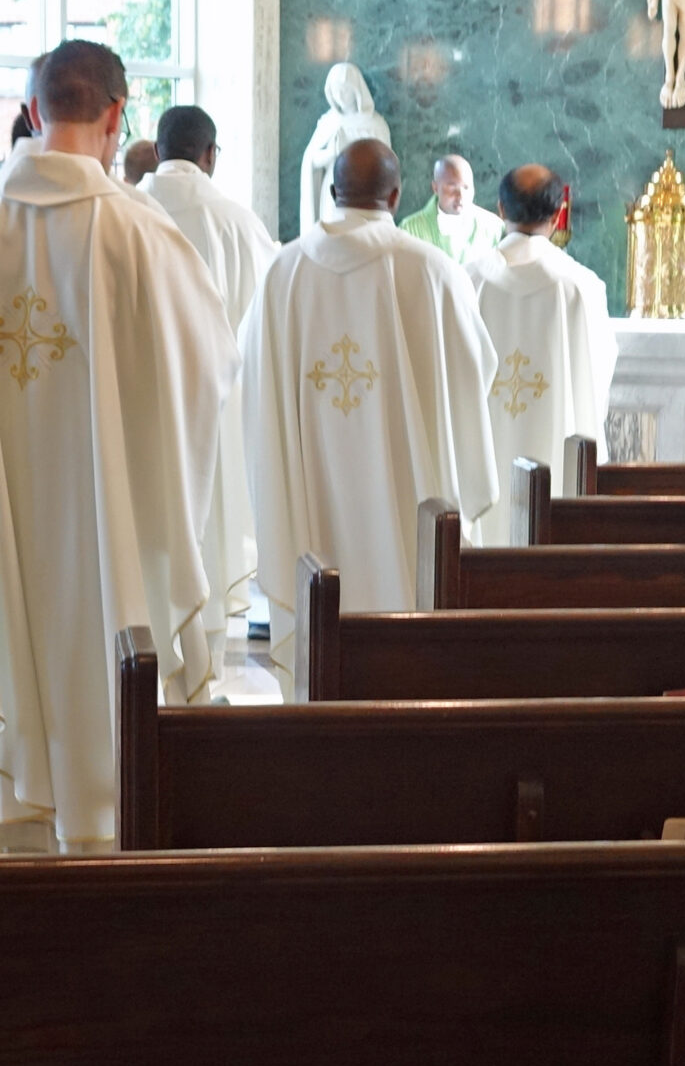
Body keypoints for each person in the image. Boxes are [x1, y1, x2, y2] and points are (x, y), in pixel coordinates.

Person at [0, 40, 236, 853]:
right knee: (107, 765)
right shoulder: (143, 240)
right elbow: (208, 380)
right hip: (107, 559)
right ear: (117, 116)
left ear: (34, 111)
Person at [245, 139, 500, 695]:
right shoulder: (433, 273)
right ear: (397, 194)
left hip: (309, 512)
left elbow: (254, 388)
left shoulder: (281, 273)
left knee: (319, 646)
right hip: (409, 515)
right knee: (409, 653)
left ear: (333, 191)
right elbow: (476, 371)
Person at [138, 105, 277, 676]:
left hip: (136, 416)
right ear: (210, 155)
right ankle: (205, 670)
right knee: (211, 539)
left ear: (154, 149)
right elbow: (268, 329)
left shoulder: (120, 212)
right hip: (213, 417)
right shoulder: (239, 224)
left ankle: (136, 669)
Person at [468, 164, 617, 479]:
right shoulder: (582, 286)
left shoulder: (468, 281)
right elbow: (596, 376)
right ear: (557, 214)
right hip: (556, 460)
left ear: (500, 208)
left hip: (481, 458)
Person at [297, 62, 392, 238]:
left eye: (344, 90)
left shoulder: (375, 125)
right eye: (335, 91)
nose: (340, 96)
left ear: (356, 90)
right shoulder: (329, 122)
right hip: (333, 193)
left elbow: (387, 168)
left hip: (366, 195)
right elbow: (312, 160)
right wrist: (332, 153)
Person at [399, 154, 505, 266]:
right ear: (435, 188)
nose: (460, 196)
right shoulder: (408, 230)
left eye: (466, 187)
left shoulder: (494, 227)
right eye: (452, 187)